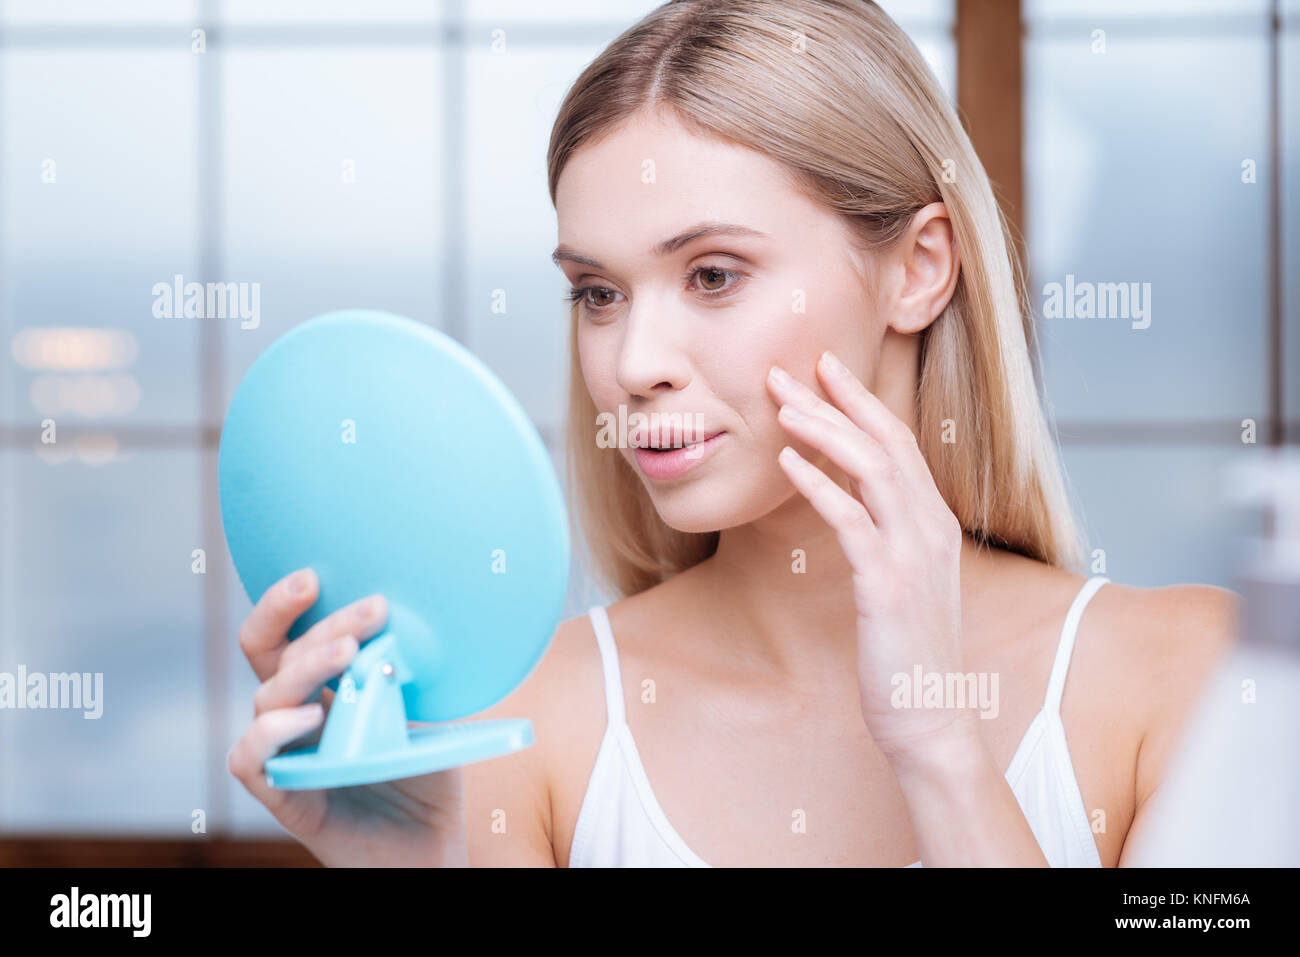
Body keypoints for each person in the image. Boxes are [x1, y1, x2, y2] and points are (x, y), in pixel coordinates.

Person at [227, 0, 1238, 867]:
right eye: (598, 292)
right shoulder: (524, 726)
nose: (631, 363)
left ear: (919, 268)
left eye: (713, 274)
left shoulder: (1187, 684)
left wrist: (938, 740)